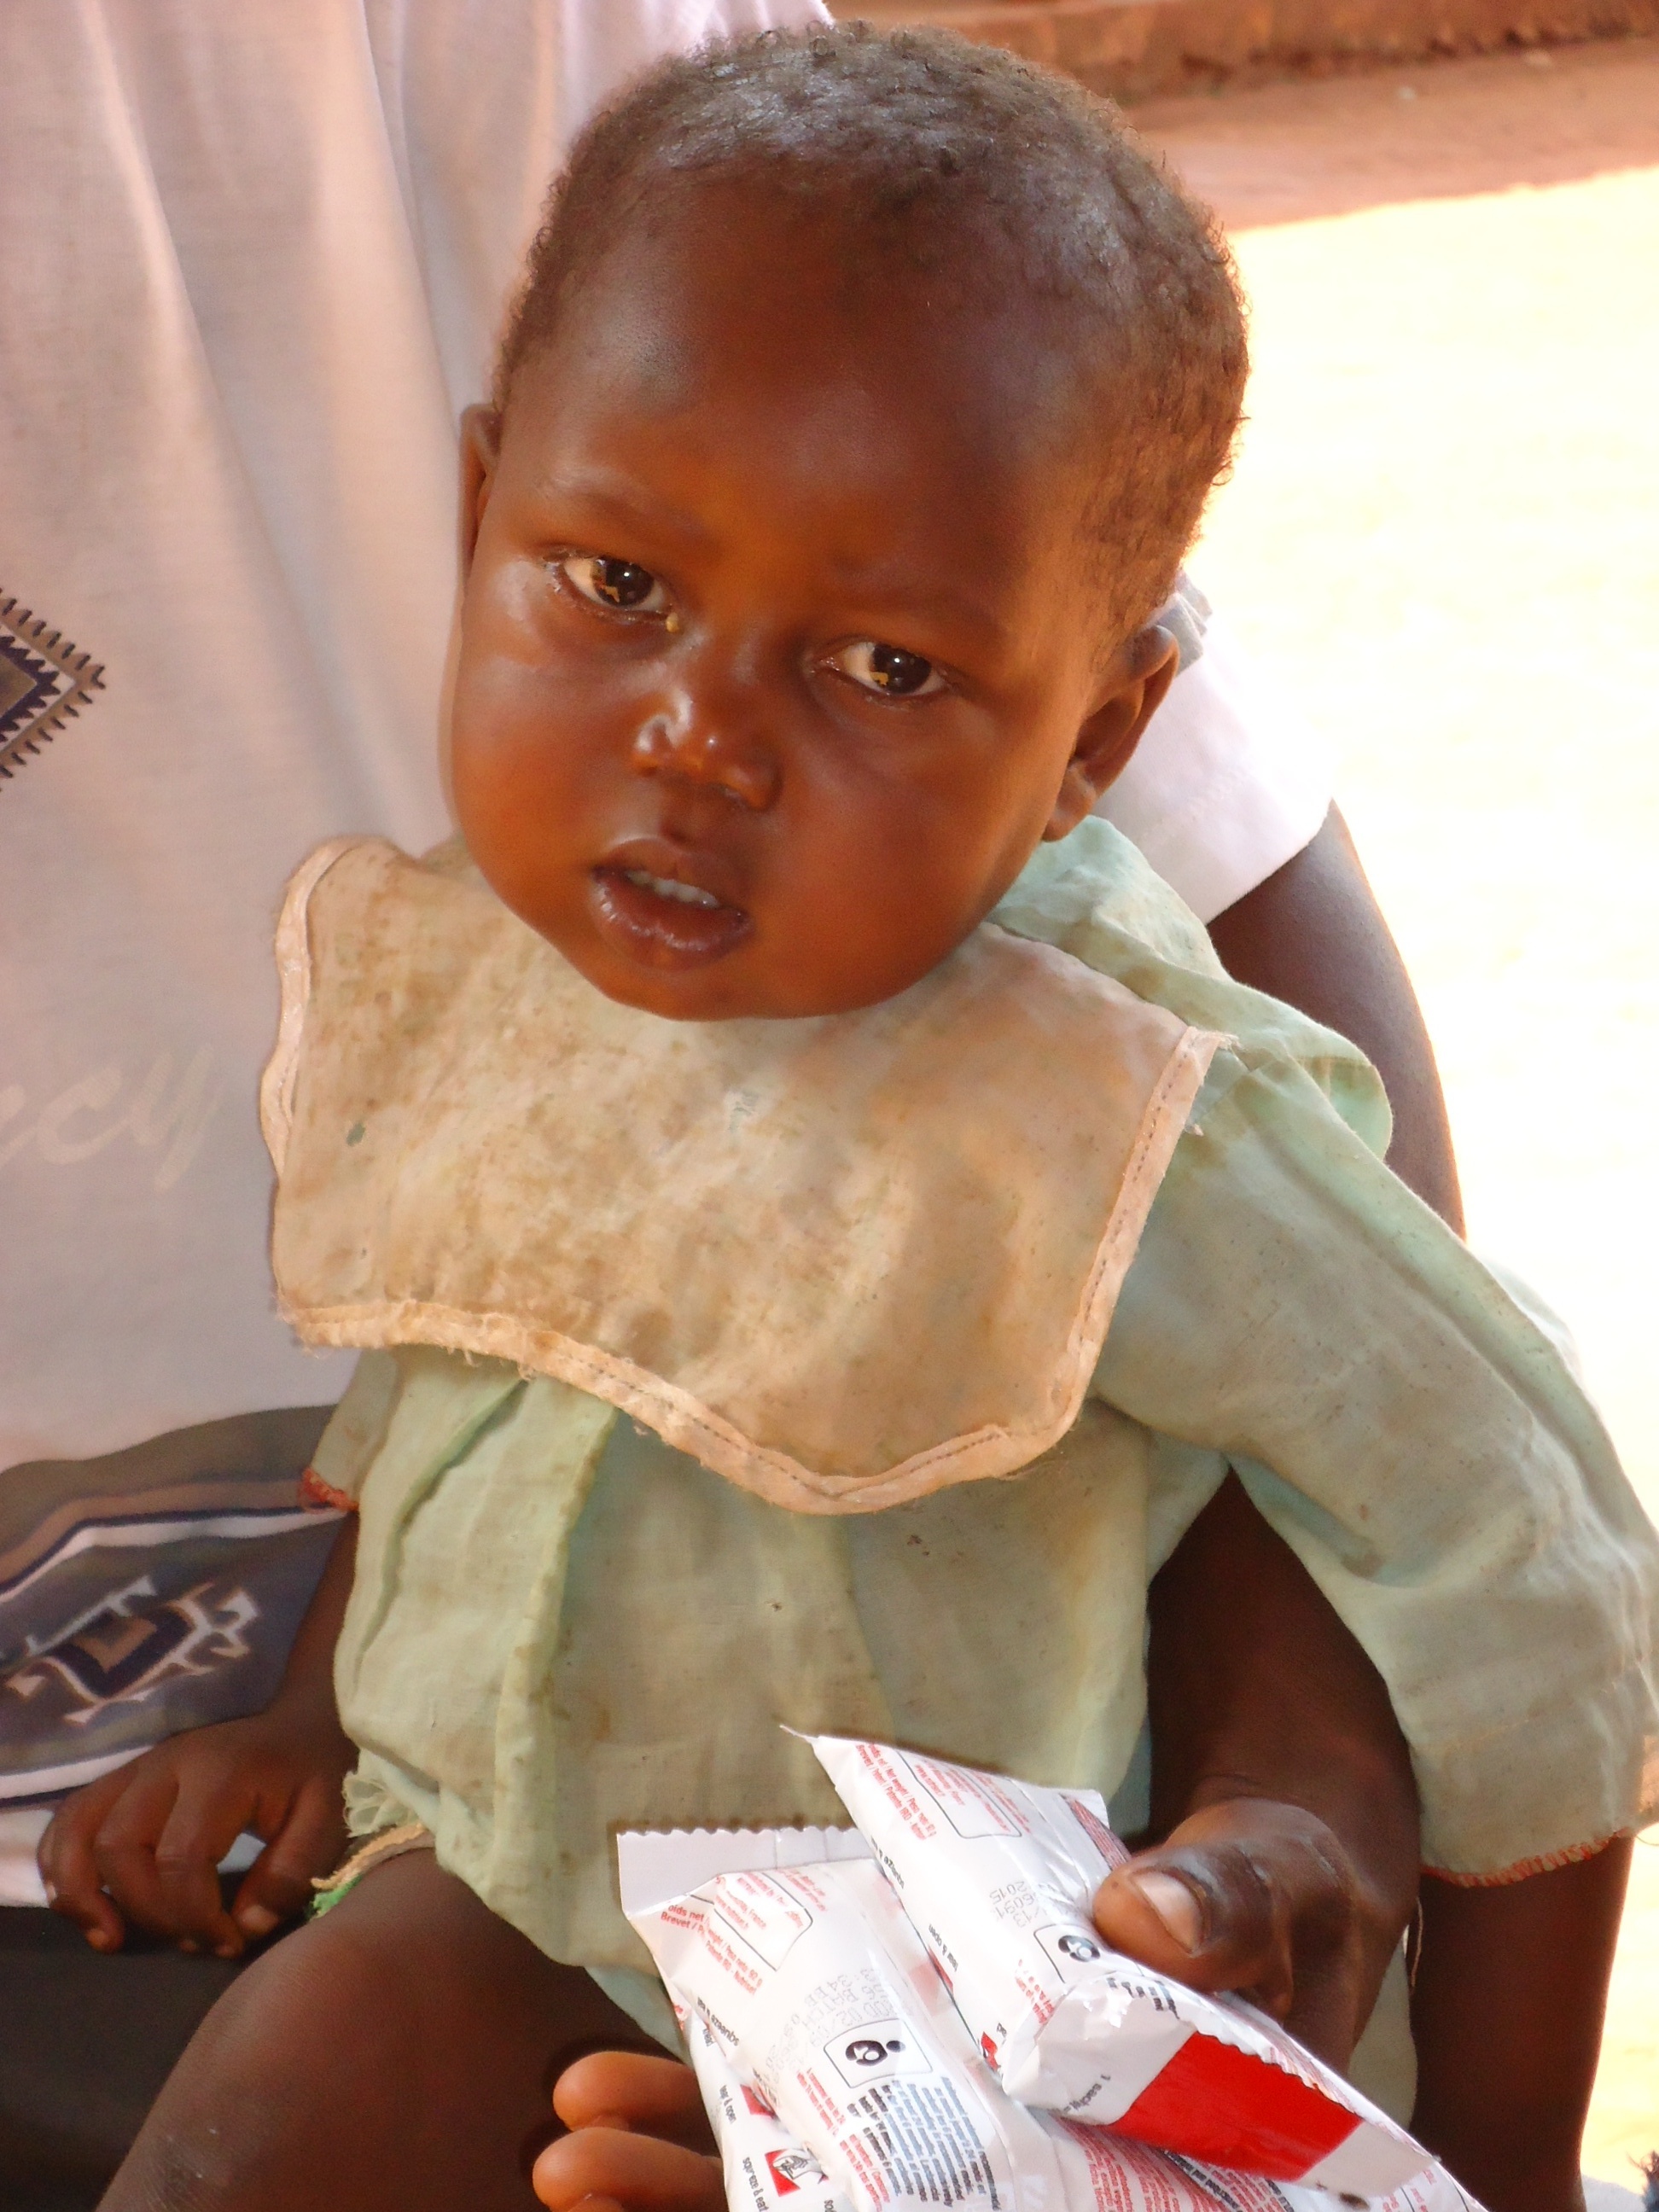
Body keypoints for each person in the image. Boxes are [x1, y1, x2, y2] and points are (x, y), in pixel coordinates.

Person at [89, 28, 1656, 2212]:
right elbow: (466, 1366)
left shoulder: (1127, 1123)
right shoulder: (482, 962)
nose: (698, 737)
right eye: (616, 585)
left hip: (966, 2038)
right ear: (478, 519)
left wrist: (1501, 2153)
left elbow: (1534, 1569)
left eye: (886, 669)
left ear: (1096, 737)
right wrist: (303, 1726)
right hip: (499, 1890)